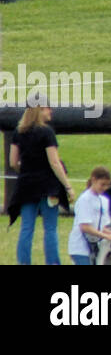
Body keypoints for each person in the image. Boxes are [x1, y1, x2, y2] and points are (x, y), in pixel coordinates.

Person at [9, 95, 76, 265]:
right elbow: (54, 162)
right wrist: (67, 186)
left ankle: (24, 262)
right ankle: (53, 263)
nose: (50, 110)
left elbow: (12, 162)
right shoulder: (46, 132)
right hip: (48, 186)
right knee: (50, 228)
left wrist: (25, 170)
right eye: (47, 107)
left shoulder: (19, 132)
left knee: (27, 227)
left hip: (26, 186)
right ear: (39, 109)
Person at [68, 167, 111, 265]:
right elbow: (85, 227)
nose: (105, 188)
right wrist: (106, 236)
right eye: (102, 184)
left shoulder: (104, 200)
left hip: (95, 248)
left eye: (107, 185)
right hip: (80, 248)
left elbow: (102, 227)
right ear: (93, 180)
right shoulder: (85, 199)